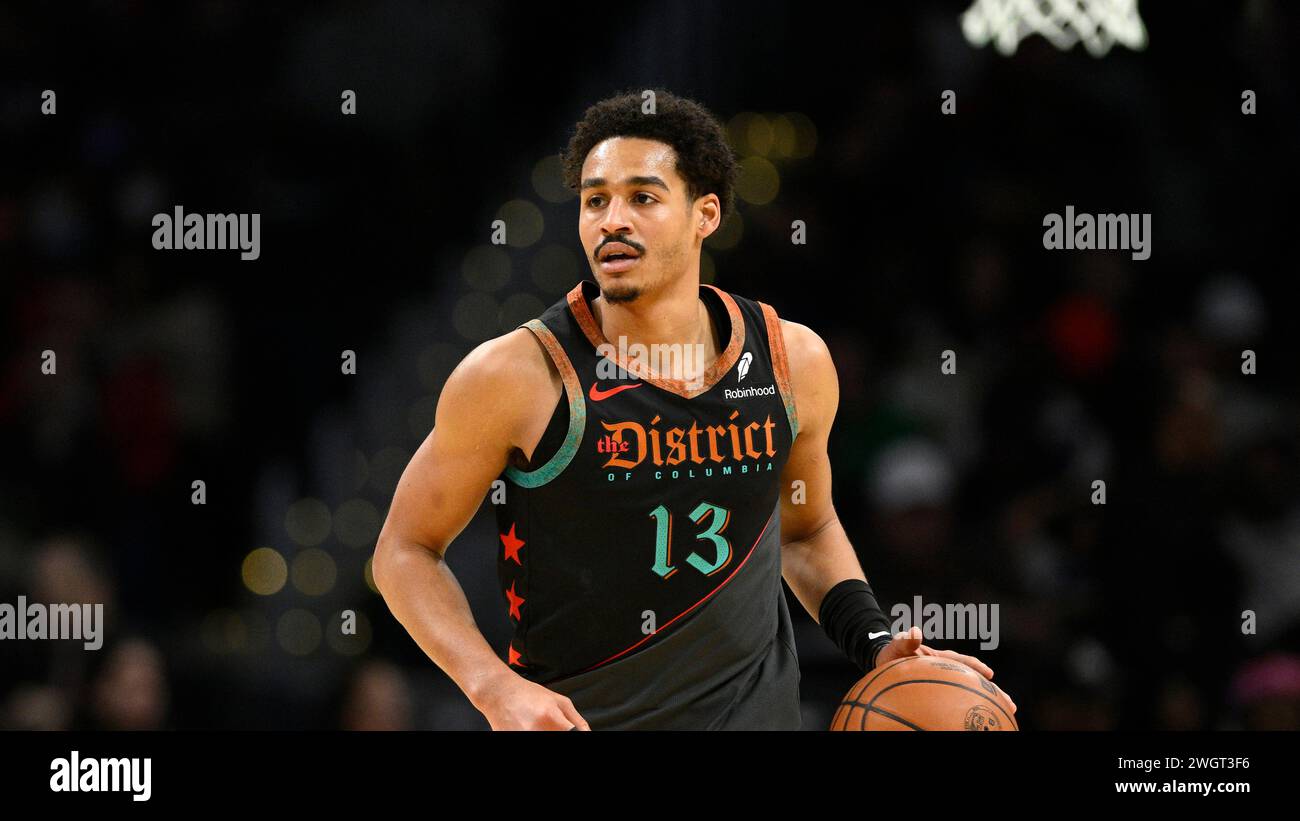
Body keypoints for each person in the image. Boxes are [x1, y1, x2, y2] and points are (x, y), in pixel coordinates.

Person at [374, 88, 1016, 729]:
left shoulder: (792, 360)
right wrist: (494, 687)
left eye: (642, 198)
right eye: (595, 200)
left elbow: (806, 528)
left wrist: (873, 644)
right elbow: (403, 550)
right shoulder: (517, 375)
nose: (612, 220)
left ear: (705, 214)